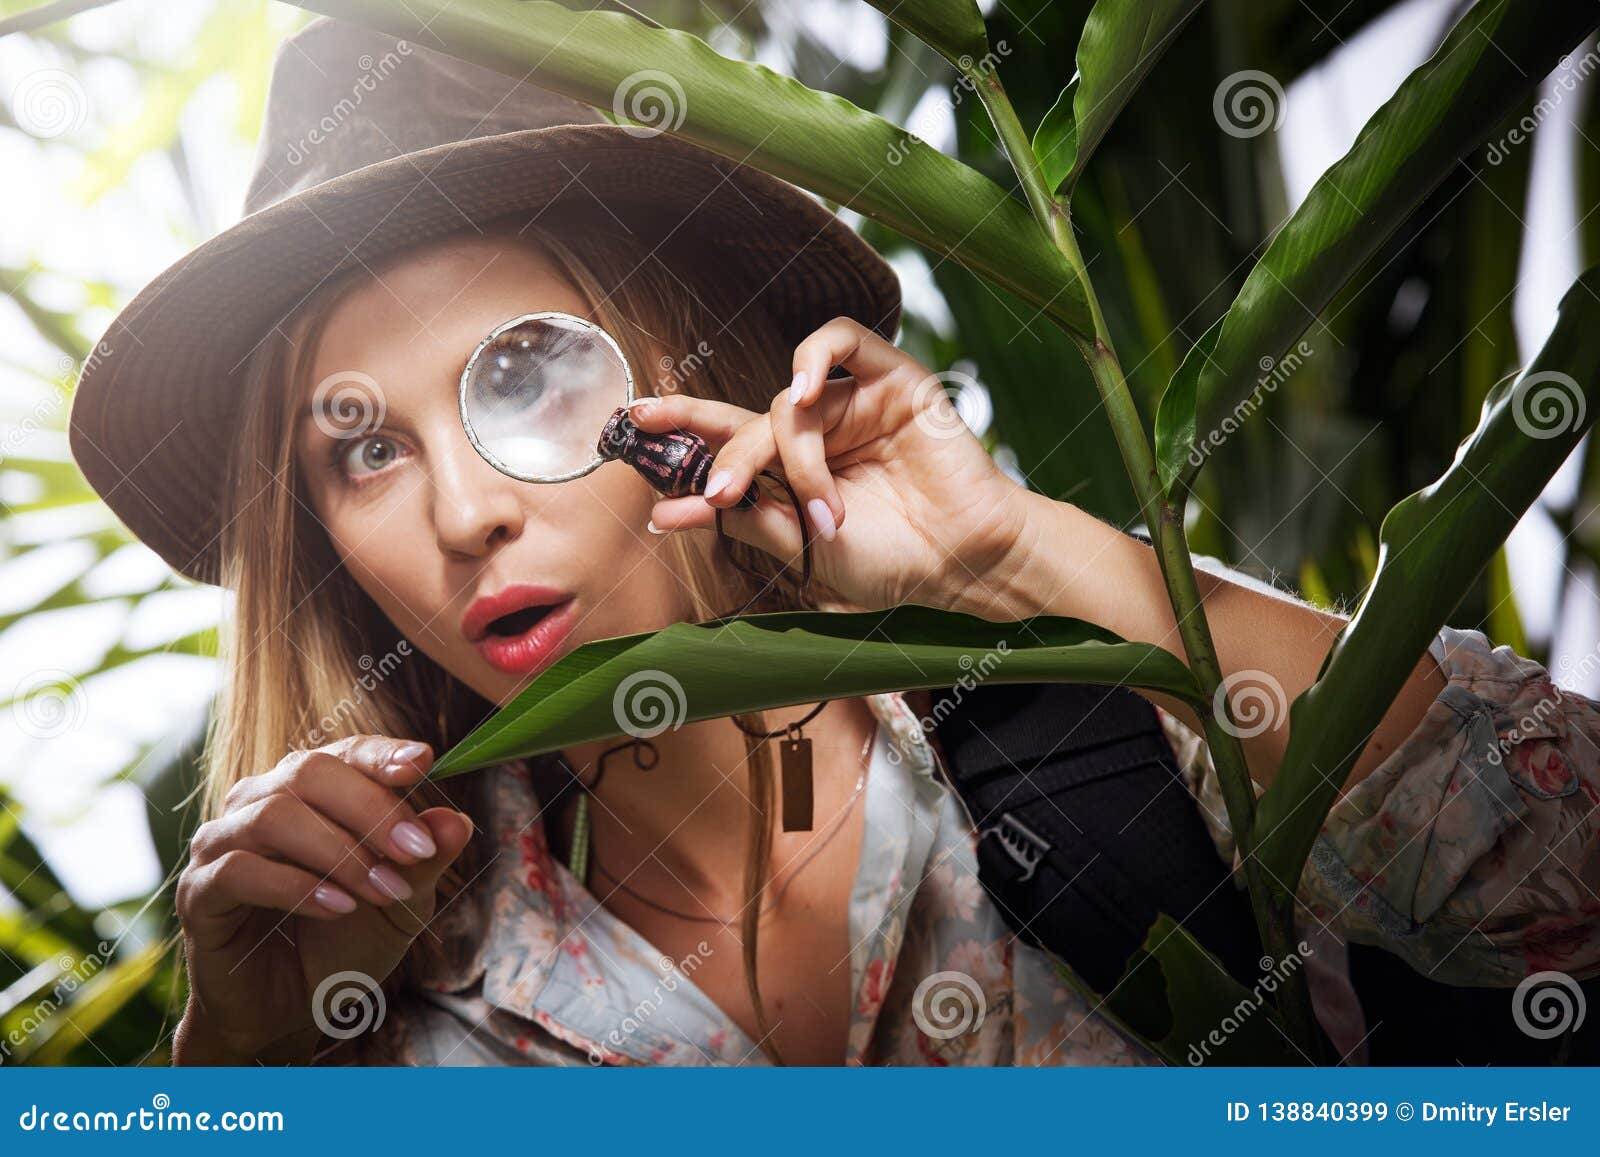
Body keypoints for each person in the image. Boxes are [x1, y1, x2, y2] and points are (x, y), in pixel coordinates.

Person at [69, 19, 1599, 1067]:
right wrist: (248, 1053)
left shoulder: (1092, 711)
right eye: (362, 448)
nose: (465, 511)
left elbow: (1570, 877)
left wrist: (1019, 563)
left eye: (524, 373)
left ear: (674, 360)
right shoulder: (373, 988)